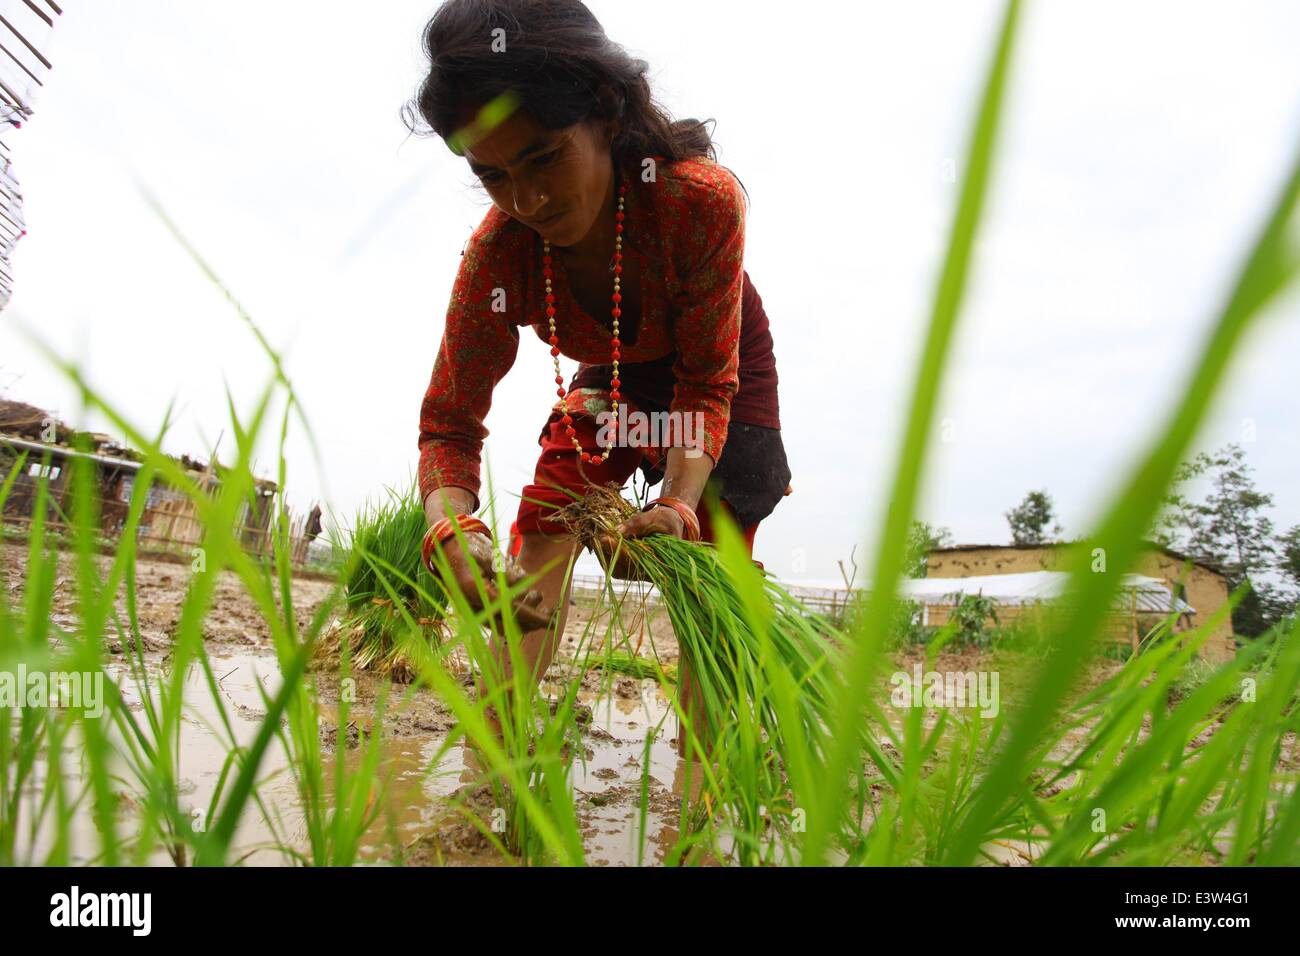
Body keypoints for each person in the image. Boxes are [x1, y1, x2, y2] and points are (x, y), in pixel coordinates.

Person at [405, 0, 791, 757]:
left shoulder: (697, 202)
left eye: (545, 157)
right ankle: (504, 753)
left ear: (607, 113)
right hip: (613, 373)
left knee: (713, 560)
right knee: (550, 505)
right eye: (492, 174)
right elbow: (448, 426)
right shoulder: (498, 258)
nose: (527, 200)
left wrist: (678, 505)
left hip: (721, 374)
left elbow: (705, 388)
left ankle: (703, 787)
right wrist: (448, 526)